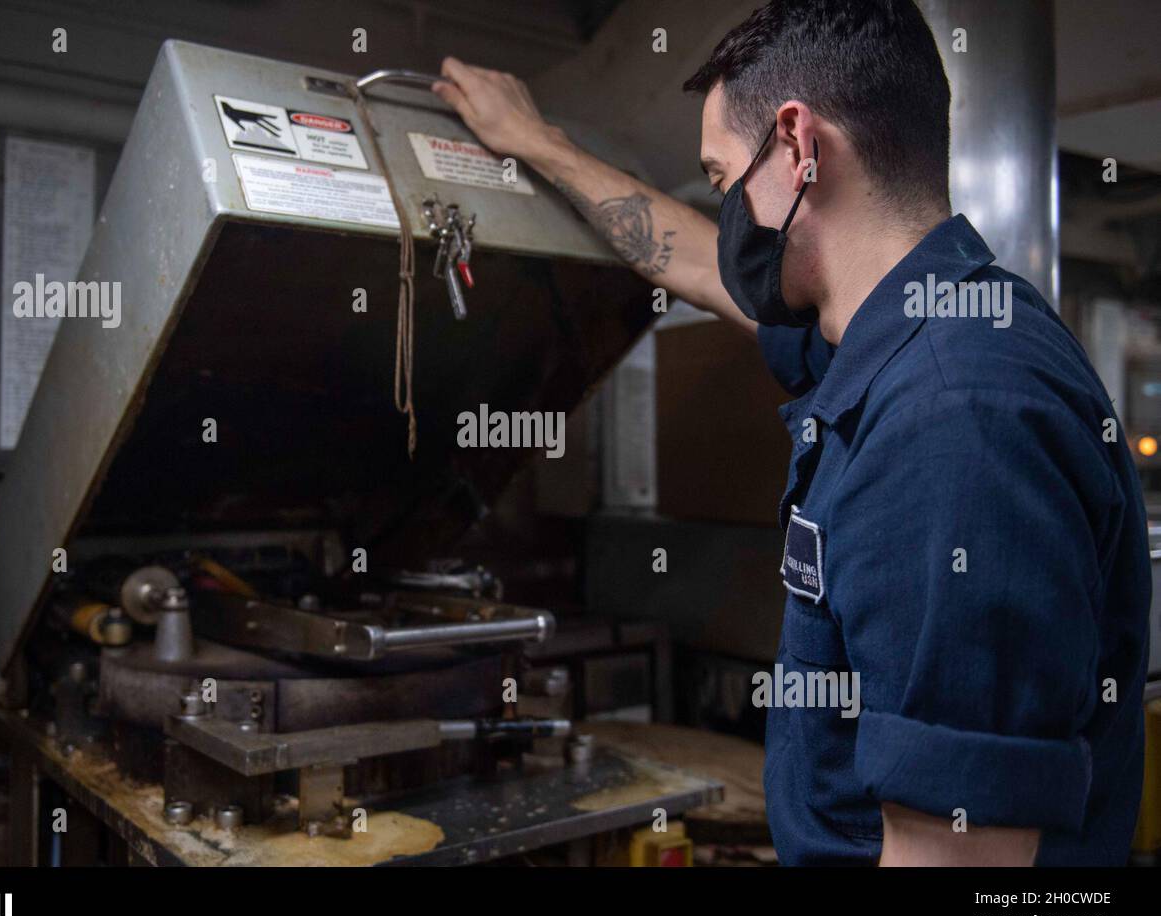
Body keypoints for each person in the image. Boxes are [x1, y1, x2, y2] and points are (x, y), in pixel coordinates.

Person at [434, 0, 1149, 866]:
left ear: (799, 147)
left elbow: (961, 859)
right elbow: (699, 262)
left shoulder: (955, 416)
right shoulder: (908, 327)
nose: (726, 208)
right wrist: (537, 142)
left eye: (724, 177)